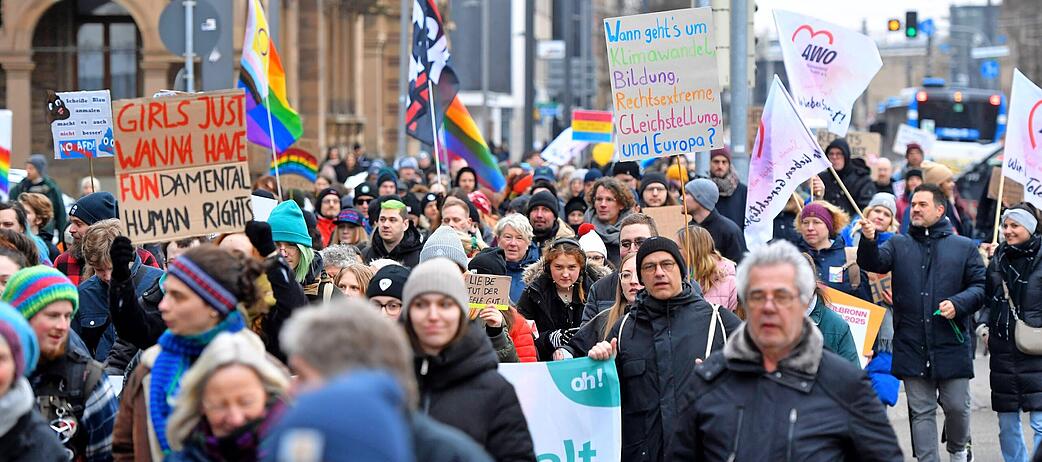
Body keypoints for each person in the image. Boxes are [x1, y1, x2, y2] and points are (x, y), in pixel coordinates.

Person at [671, 240, 902, 460]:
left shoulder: (845, 384)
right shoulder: (710, 380)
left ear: (803, 302)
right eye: (758, 295)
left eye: (782, 296)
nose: (769, 307)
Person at [858, 183, 986, 462]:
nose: (915, 209)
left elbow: (980, 287)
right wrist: (868, 240)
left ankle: (958, 449)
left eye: (922, 205)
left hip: (951, 342)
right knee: (922, 410)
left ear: (940, 210)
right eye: (913, 204)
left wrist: (958, 303)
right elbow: (874, 263)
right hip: (912, 342)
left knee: (957, 407)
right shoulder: (898, 243)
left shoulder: (963, 247)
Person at [586, 237, 741, 461]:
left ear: (681, 270)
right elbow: (602, 404)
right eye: (649, 267)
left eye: (667, 264)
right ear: (641, 277)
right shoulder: (623, 329)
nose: (659, 272)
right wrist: (600, 366)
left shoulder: (718, 320)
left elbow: (758, 376)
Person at [113, 245, 267, 461]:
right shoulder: (148, 369)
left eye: (178, 296)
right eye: (167, 294)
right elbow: (124, 448)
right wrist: (121, 277)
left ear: (214, 305)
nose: (164, 305)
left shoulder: (258, 368)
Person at [401, 259, 535, 461]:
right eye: (421, 304)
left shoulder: (496, 391)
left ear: (461, 312)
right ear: (408, 313)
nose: (433, 315)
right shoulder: (386, 382)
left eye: (445, 304)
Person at [3, 266, 119, 461]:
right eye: (52, 316)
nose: (63, 326)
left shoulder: (88, 379)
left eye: (67, 316)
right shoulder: (5, 375)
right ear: (21, 318)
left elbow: (110, 455)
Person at [166, 332, 290, 461]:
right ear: (201, 405)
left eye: (246, 402)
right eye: (219, 406)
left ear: (267, 395)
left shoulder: (298, 449)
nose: (235, 419)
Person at [982, 205, 1042, 462]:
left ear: (1029, 228)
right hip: (1003, 349)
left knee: (1040, 422)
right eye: (1005, 225)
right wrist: (983, 326)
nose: (1008, 231)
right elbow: (987, 298)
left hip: (1037, 349)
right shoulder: (998, 258)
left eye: (1014, 226)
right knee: (1007, 424)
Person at [75, 219, 164, 364]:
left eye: (112, 268)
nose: (108, 276)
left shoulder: (157, 283)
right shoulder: (83, 294)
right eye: (99, 270)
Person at [517, 238, 608, 361]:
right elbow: (521, 335)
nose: (565, 274)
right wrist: (549, 339)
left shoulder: (597, 292)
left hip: (587, 365)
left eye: (571, 267)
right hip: (545, 366)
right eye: (559, 267)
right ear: (549, 267)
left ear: (581, 268)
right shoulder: (533, 293)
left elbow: (605, 332)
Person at [0, 304, 68, 461]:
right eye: (53, 315)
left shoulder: (43, 449)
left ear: (16, 366)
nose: (62, 325)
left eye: (1, 359)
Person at [55, 192, 158, 285]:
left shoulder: (142, 258)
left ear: (99, 227)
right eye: (72, 222)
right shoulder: (63, 262)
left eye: (78, 223)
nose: (71, 229)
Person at [556, 252, 642, 360]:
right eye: (626, 275)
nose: (633, 281)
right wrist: (564, 353)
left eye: (639, 274)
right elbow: (576, 348)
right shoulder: (605, 318)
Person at [581, 213, 658, 323]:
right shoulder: (600, 289)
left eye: (640, 242)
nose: (632, 249)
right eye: (626, 244)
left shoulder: (668, 282)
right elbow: (585, 337)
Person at [796, 201, 873, 302]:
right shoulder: (793, 257)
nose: (810, 228)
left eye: (816, 222)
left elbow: (866, 307)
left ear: (829, 226)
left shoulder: (850, 257)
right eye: (805, 222)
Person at [268, 200, 335, 302]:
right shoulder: (257, 289)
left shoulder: (328, 294)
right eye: (276, 245)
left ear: (303, 250)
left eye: (291, 245)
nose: (282, 253)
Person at [684, 178, 747, 263]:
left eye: (687, 193)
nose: (682, 198)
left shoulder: (729, 231)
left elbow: (740, 266)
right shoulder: (687, 230)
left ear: (701, 198)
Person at [9, 154, 66, 244]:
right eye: (27, 168)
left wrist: (61, 238)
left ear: (39, 170)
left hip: (46, 231)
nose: (28, 171)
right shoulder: (21, 186)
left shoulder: (50, 187)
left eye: (31, 168)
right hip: (25, 229)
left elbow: (60, 212)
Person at [678, 225, 738, 311]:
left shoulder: (731, 283)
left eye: (678, 248)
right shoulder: (681, 281)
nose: (674, 251)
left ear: (693, 250)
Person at [585, 177, 636, 265]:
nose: (603, 204)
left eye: (609, 199)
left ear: (621, 204)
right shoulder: (585, 233)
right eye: (599, 199)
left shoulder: (632, 234)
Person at [819, 138, 876, 218]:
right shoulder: (821, 179)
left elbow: (866, 208)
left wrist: (851, 226)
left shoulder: (862, 179)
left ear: (846, 155)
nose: (834, 157)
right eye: (831, 154)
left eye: (839, 154)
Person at [363, 199, 424, 268]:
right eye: (382, 219)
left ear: (405, 224)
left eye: (392, 220)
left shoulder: (421, 256)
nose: (386, 225)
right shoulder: (365, 254)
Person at [493, 213, 539, 303]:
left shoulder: (538, 274)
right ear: (498, 239)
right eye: (508, 237)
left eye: (519, 238)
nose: (513, 243)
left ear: (528, 242)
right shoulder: (486, 268)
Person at [709, 147, 748, 230]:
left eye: (724, 162)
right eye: (716, 162)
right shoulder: (704, 190)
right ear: (710, 163)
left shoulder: (743, 191)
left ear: (729, 164)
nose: (720, 166)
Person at [526, 190, 574, 254]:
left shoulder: (569, 244)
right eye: (535, 209)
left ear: (555, 216)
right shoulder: (518, 240)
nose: (539, 215)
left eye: (545, 210)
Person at [17, 192, 59, 260]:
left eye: (26, 212)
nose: (19, 215)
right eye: (18, 210)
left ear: (38, 220)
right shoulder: (12, 240)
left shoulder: (49, 249)